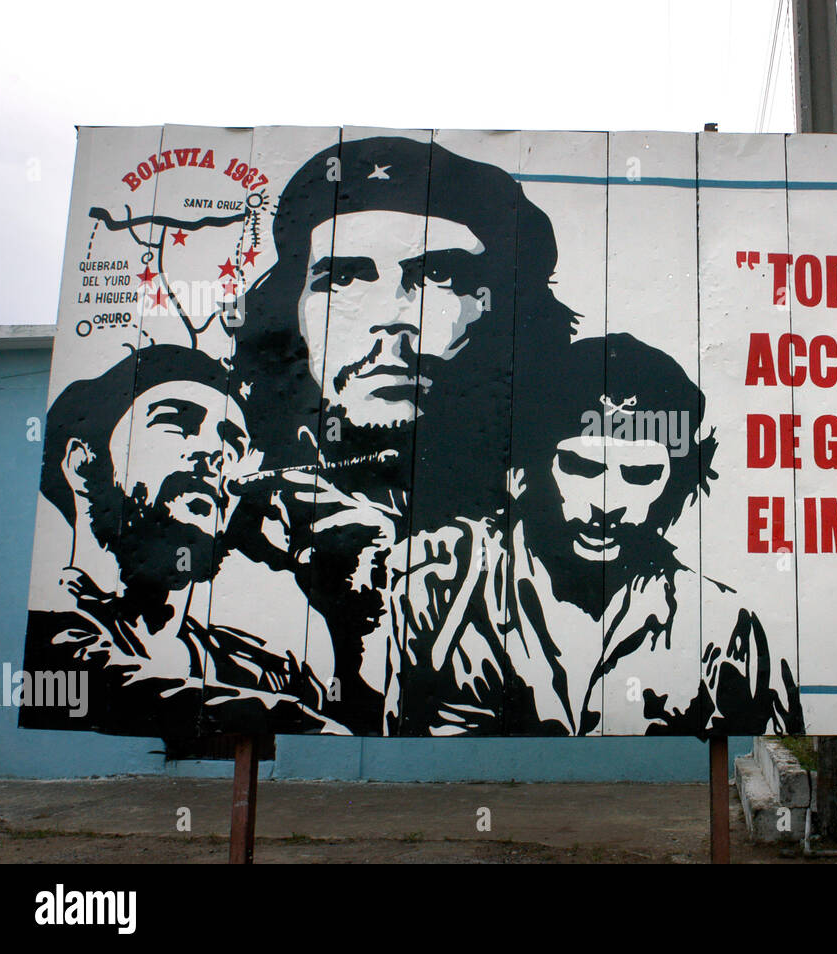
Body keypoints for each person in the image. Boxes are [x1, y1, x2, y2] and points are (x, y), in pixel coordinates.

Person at [230, 135, 577, 732]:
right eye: (341, 277)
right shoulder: (235, 527)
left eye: (438, 275)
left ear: (504, 313)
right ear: (292, 309)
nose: (393, 315)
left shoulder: (577, 515)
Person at [384, 334, 805, 737]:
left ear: (675, 486)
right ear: (524, 469)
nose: (608, 504)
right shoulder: (434, 586)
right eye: (583, 468)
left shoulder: (722, 626)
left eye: (641, 475)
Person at [20, 345, 339, 735]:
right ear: (83, 465)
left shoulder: (258, 670)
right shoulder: (45, 633)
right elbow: (114, 692)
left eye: (233, 444)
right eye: (177, 422)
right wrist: (303, 722)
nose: (214, 453)